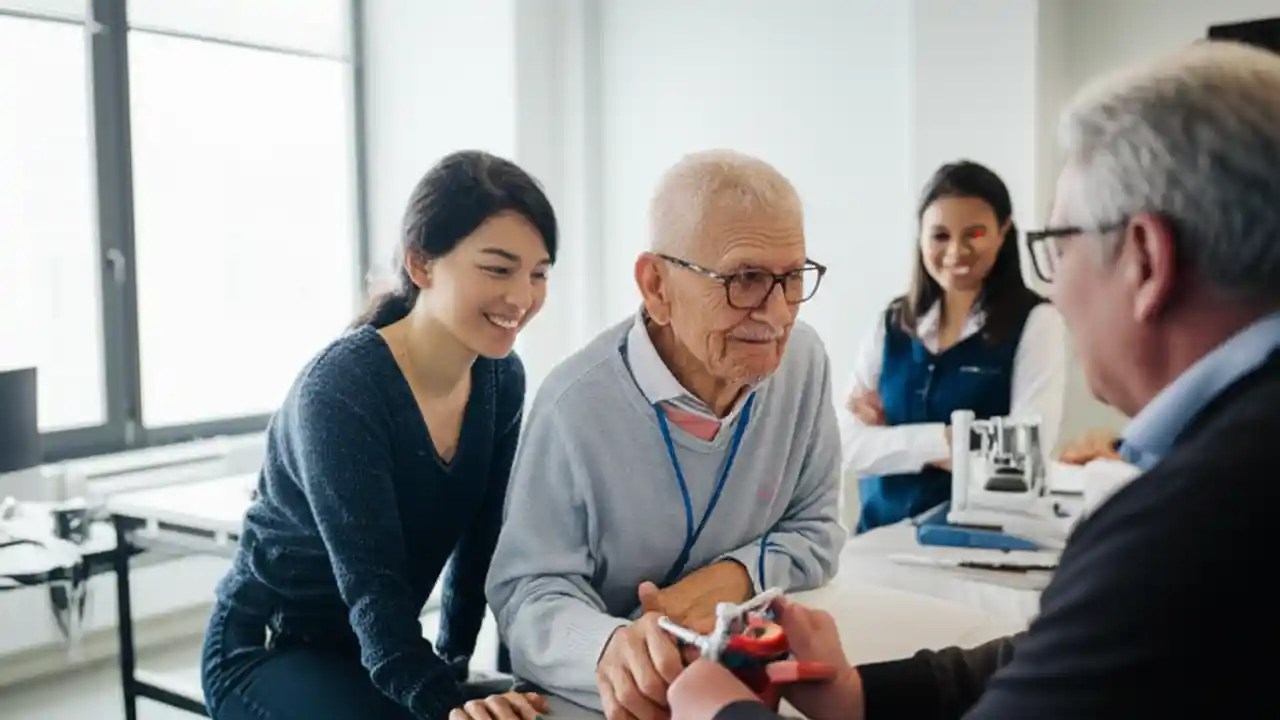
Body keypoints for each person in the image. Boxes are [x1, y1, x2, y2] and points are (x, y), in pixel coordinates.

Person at [667, 39, 1280, 719]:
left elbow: (1017, 450)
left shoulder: (1189, 519)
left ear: (1143, 259)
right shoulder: (1224, 464)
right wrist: (864, 694)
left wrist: (725, 714)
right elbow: (1047, 659)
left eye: (1060, 246)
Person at [485, 149, 846, 719]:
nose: (777, 314)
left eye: (792, 278)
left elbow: (817, 529)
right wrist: (611, 645)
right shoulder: (574, 405)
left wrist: (720, 583)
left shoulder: (803, 363)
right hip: (609, 700)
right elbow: (527, 596)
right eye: (745, 279)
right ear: (656, 285)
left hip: (739, 683)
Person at [200, 150, 559, 720]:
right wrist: (447, 706)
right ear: (421, 264)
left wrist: (458, 665)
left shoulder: (500, 376)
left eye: (538, 273)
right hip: (269, 650)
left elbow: (481, 546)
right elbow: (377, 595)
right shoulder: (343, 389)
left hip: (375, 652)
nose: (522, 297)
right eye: (497, 269)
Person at [840, 160, 1067, 533]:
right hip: (878, 544)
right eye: (940, 235)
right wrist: (948, 441)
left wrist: (895, 442)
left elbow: (1026, 458)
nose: (955, 251)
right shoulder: (890, 324)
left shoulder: (1037, 322)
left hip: (979, 550)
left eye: (974, 233)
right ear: (921, 238)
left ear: (1003, 232)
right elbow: (847, 447)